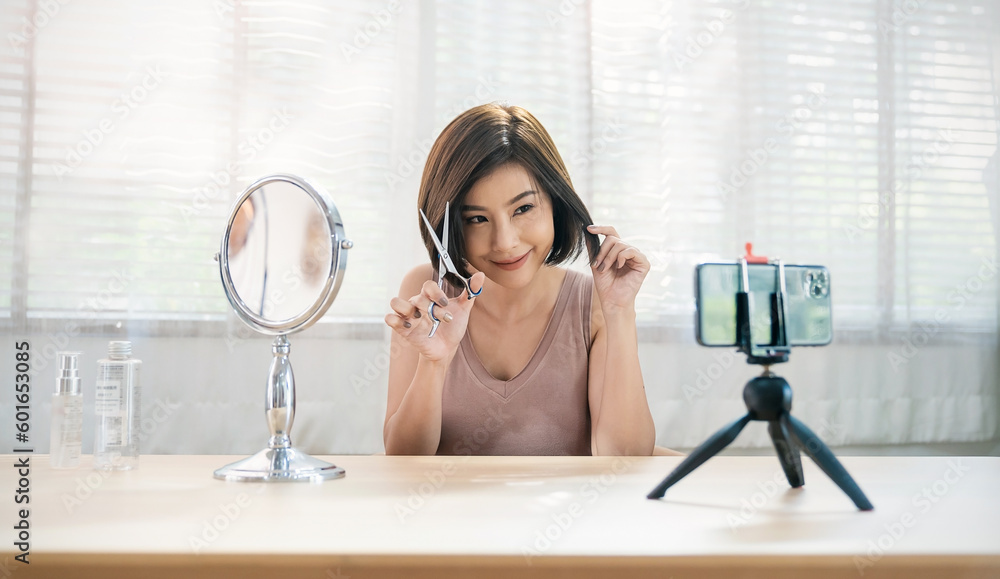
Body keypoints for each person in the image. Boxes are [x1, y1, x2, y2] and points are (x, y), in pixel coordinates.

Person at [383, 103, 656, 456]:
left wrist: (620, 314)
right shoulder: (429, 292)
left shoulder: (594, 303)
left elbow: (625, 461)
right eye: (477, 219)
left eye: (523, 209)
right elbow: (403, 462)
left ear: (556, 203)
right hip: (452, 512)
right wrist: (433, 364)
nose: (505, 242)